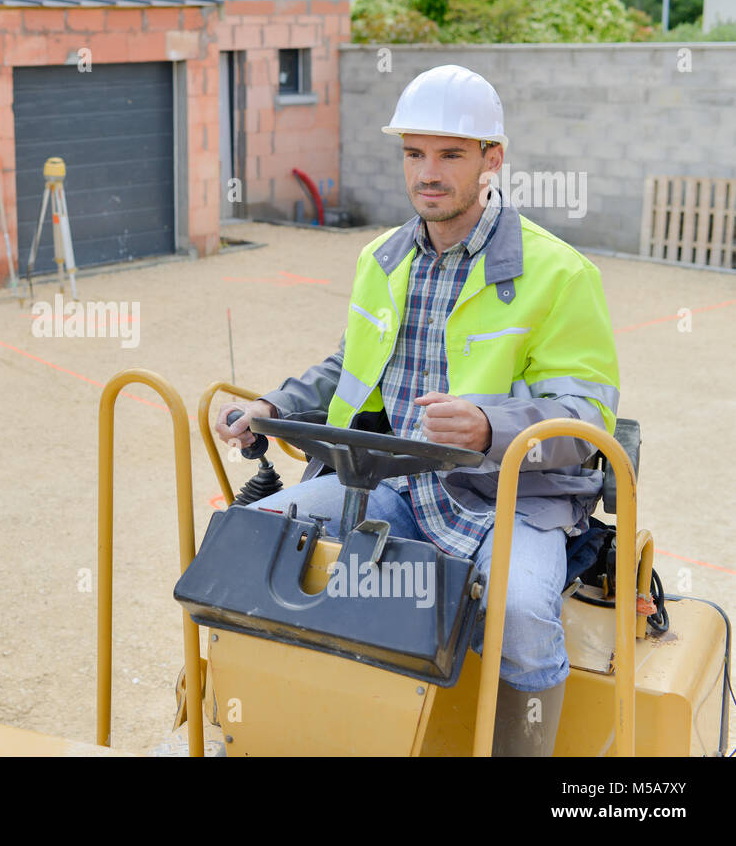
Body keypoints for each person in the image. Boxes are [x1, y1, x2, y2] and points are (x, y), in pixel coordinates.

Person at [215, 64, 620, 756]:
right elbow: (349, 363)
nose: (427, 173)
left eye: (450, 155)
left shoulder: (560, 272)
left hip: (510, 499)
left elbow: (588, 416)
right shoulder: (383, 258)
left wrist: (492, 426)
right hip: (395, 484)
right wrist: (276, 403)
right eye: (414, 153)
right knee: (248, 536)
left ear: (492, 159)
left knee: (521, 609)